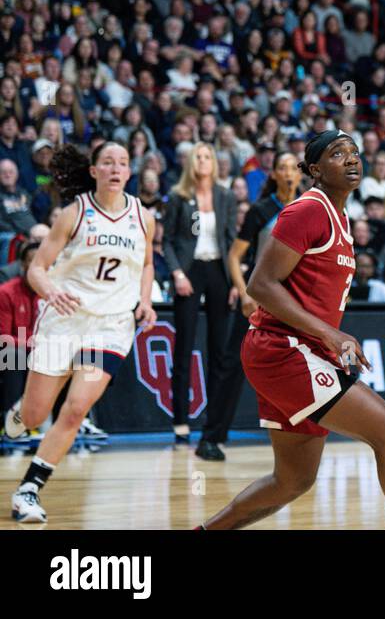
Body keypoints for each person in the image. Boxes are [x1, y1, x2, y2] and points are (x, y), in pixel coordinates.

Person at [200, 130, 385, 529]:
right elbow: (260, 285)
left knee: (292, 480)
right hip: (283, 349)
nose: (352, 159)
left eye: (354, 152)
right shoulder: (308, 210)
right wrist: (330, 334)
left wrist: (326, 337)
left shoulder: (339, 215)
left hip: (295, 350)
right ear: (316, 170)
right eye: (338, 154)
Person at [6, 142, 157, 524]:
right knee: (35, 414)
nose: (115, 168)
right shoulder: (74, 214)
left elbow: (147, 264)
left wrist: (144, 300)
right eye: (107, 162)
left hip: (110, 326)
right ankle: (22, 411)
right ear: (94, 171)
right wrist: (51, 292)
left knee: (75, 409)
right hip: (65, 320)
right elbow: (36, 268)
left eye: (122, 163)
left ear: (129, 171)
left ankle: (28, 489)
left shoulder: (143, 217)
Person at [201, 151, 302, 461]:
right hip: (259, 299)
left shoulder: (308, 208)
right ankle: (210, 437)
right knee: (232, 365)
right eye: (282, 167)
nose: (288, 173)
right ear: (273, 174)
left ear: (301, 174)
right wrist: (244, 293)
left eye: (293, 168)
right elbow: (234, 256)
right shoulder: (261, 210)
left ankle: (300, 439)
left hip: (294, 303)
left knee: (297, 368)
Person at [161, 142, 238, 446]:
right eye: (198, 157)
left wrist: (236, 281)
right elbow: (166, 241)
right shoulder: (178, 196)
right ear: (190, 163)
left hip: (219, 271)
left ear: (214, 162)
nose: (203, 161)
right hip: (189, 271)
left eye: (208, 157)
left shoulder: (226, 196)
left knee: (219, 351)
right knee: (184, 349)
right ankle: (180, 421)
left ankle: (214, 424)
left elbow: (231, 240)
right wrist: (177, 273)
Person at [0, 241, 40, 415]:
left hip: (42, 349)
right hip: (12, 350)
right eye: (33, 260)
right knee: (14, 355)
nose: (39, 266)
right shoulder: (6, 292)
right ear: (23, 265)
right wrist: (32, 343)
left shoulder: (54, 293)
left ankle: (73, 420)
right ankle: (12, 419)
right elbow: (3, 337)